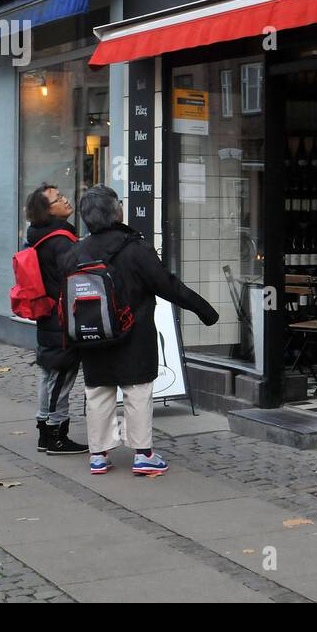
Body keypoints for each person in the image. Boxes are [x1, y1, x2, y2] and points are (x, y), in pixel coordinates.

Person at [65, 186, 218, 476]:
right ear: (117, 212)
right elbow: (168, 285)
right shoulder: (134, 249)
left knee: (98, 392)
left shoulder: (76, 252)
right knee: (137, 391)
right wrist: (204, 310)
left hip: (92, 336)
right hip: (134, 334)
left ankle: (98, 455)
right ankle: (143, 454)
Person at [23, 183, 86, 455]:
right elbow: (75, 278)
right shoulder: (60, 241)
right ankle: (55, 436)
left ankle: (43, 431)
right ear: (47, 211)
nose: (65, 200)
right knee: (61, 375)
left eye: (62, 195)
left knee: (49, 373)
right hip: (62, 318)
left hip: (48, 315)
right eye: (58, 199)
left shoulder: (38, 236)